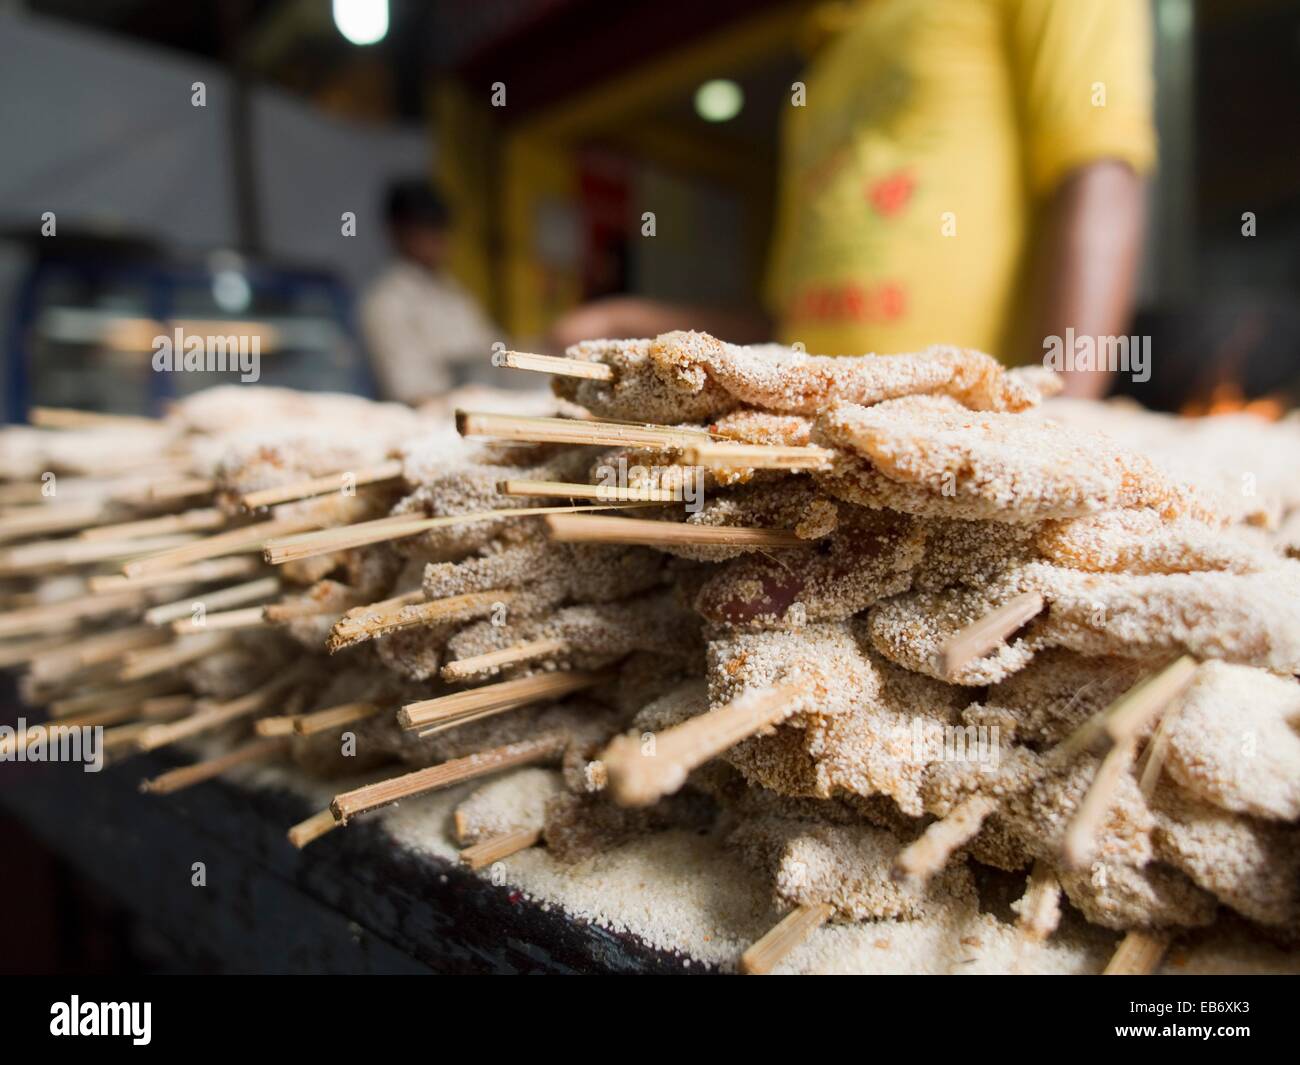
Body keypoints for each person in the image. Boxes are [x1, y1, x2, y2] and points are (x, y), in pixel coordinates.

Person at [550, 0, 1156, 398]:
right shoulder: (823, 54)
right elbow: (791, 319)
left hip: (967, 431)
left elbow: (1098, 177)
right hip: (812, 441)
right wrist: (638, 322)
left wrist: (1069, 419)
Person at [360, 179, 501, 404]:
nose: (438, 241)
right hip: (426, 423)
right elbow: (411, 391)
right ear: (398, 232)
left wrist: (548, 344)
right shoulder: (387, 301)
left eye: (441, 230)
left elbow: (496, 353)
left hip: (482, 405)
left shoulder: (453, 292)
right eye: (426, 230)